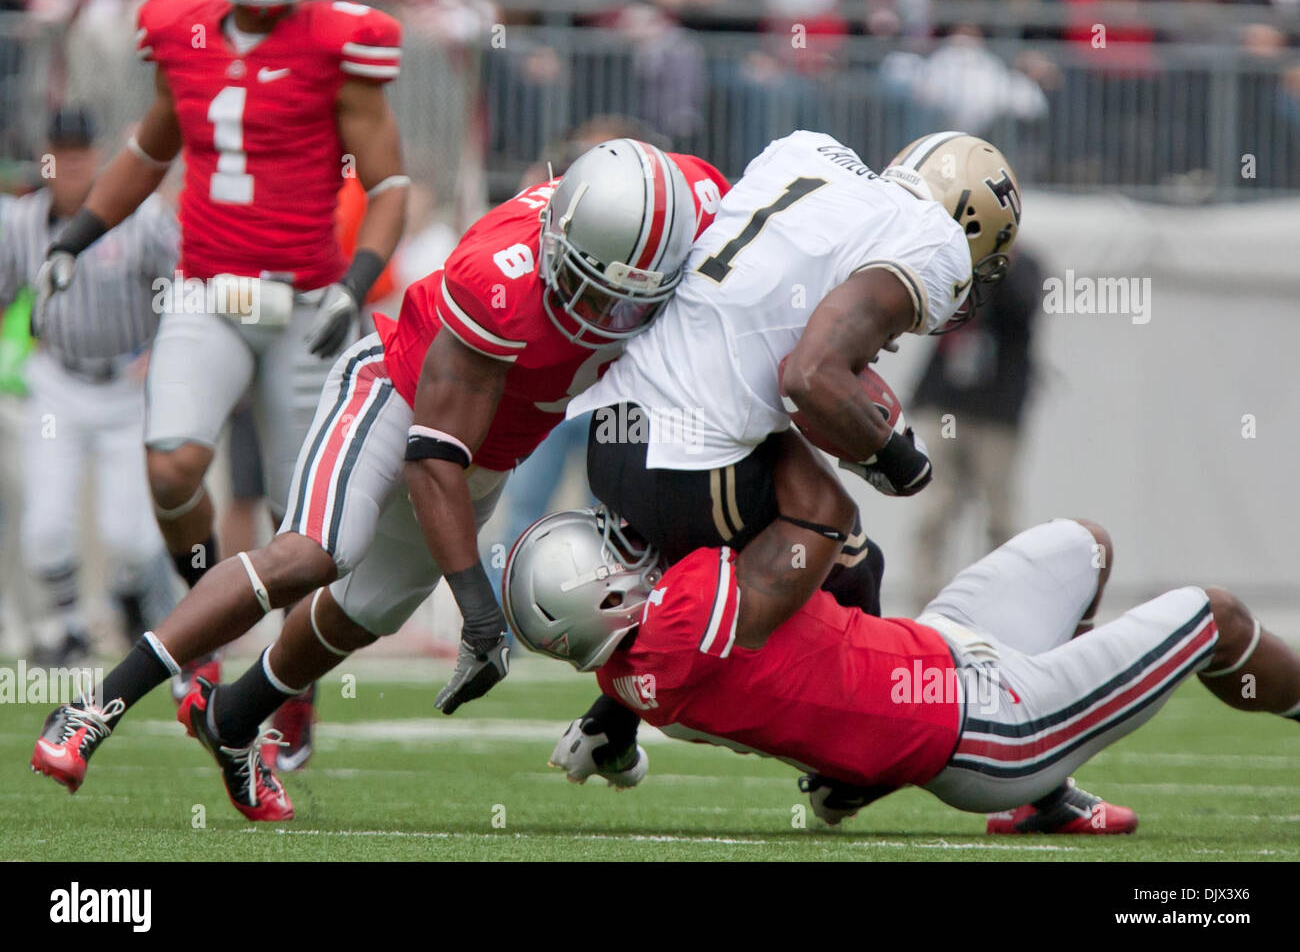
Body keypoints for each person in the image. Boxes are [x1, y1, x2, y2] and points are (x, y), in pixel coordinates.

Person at [32, 139, 729, 821]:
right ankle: (93, 705)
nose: (599, 316)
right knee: (312, 553)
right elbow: (433, 457)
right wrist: (479, 614)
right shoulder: (499, 277)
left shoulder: (698, 203)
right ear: (556, 239)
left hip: (487, 451)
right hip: (397, 396)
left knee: (368, 610)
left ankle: (234, 719)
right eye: (582, 286)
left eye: (621, 300)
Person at [551, 130, 1012, 808]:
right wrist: (892, 459)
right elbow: (809, 377)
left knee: (844, 559)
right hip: (691, 461)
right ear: (969, 225)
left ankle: (615, 720)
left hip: (614, 426)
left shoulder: (806, 150)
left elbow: (760, 320)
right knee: (840, 546)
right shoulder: (932, 242)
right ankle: (852, 762)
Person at [30, 0, 409, 710]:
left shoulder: (337, 43)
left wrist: (352, 285)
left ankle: (285, 699)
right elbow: (151, 148)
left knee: (302, 531)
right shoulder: (182, 31)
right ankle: (201, 624)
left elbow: (388, 185)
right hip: (209, 289)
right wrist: (74, 238)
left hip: (305, 301)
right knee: (173, 466)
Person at [504, 507, 1300, 833]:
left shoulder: (632, 670)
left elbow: (636, 701)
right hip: (994, 728)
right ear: (603, 595)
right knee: (1217, 615)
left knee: (1083, 544)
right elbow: (823, 520)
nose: (632, 547)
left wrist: (613, 733)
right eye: (611, 556)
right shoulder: (685, 616)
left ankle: (1046, 800)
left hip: (938, 650)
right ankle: (1039, 781)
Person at [0, 108, 179, 665]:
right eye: (60, 154)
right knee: (46, 526)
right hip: (58, 381)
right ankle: (72, 627)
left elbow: (182, 287)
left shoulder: (141, 218)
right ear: (45, 159)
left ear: (98, 158)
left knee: (131, 536)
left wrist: (163, 354)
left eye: (80, 154)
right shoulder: (19, 222)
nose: (70, 166)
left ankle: (128, 599)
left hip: (127, 383)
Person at [909, 243, 1042, 607]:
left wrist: (999, 264)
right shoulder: (952, 255)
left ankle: (997, 604)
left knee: (999, 517)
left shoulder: (1025, 265)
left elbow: (1023, 308)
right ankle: (927, 603)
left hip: (996, 415)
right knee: (935, 510)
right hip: (948, 406)